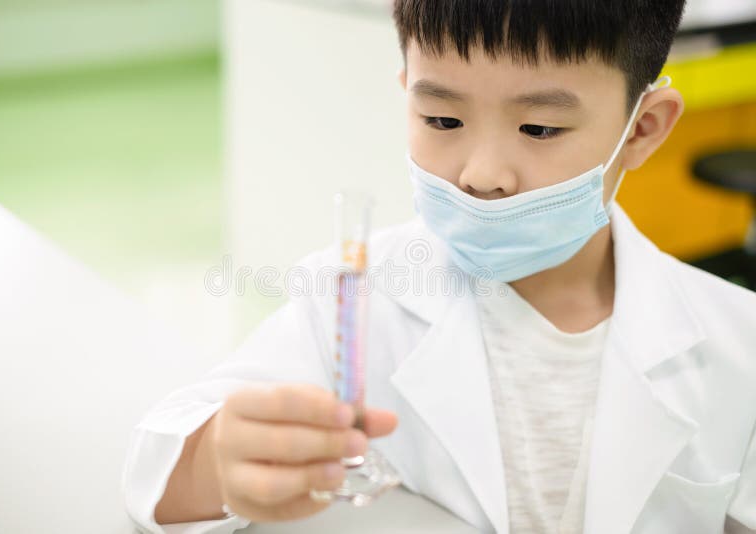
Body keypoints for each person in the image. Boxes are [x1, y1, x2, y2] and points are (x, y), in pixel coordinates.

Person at [121, 1, 756, 533]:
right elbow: (157, 469)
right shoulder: (350, 303)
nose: (481, 174)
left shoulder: (738, 340)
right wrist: (218, 464)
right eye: (441, 119)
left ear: (641, 129)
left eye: (538, 128)